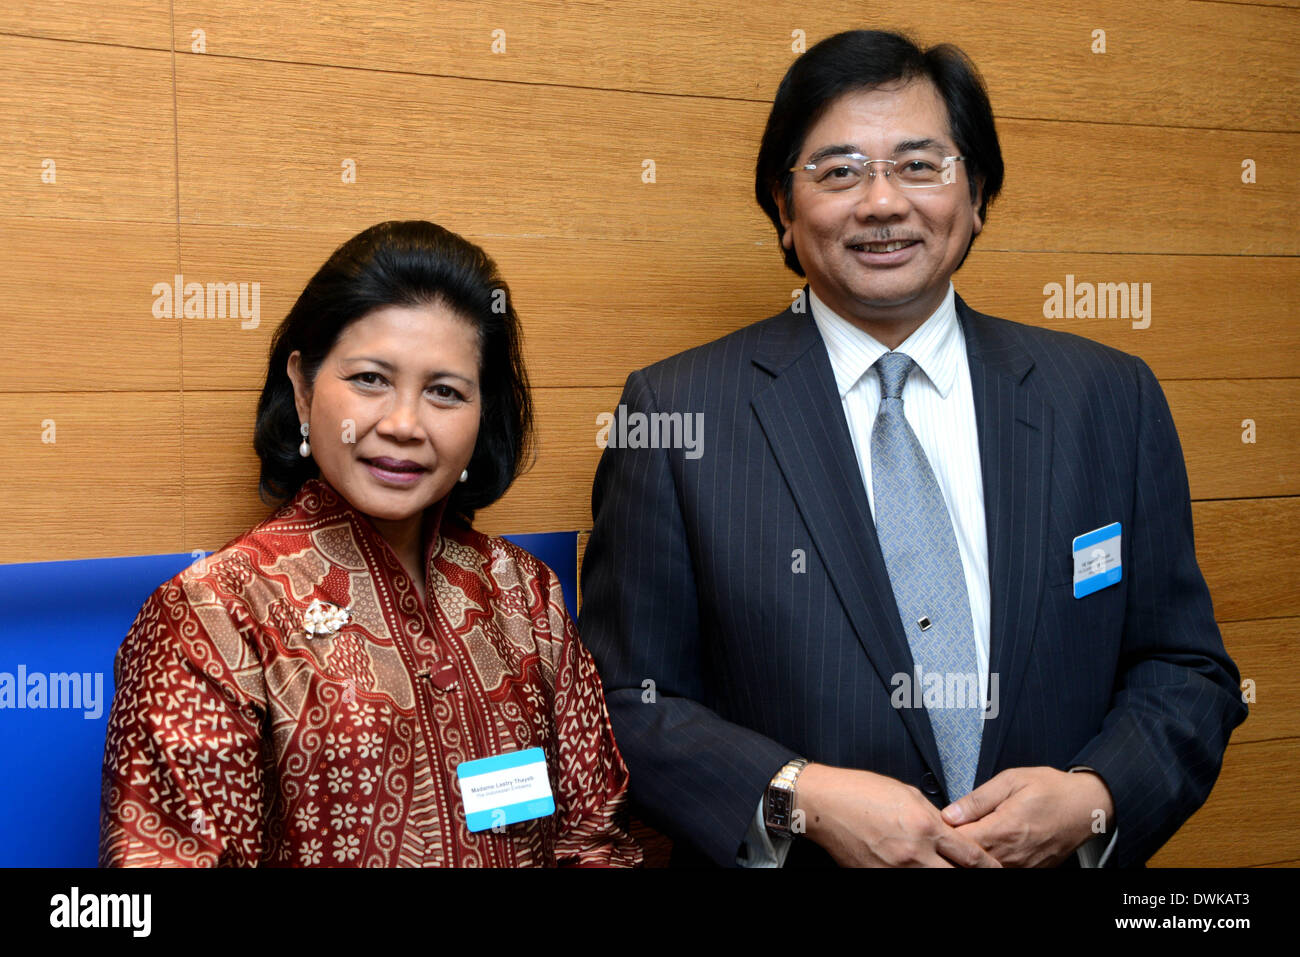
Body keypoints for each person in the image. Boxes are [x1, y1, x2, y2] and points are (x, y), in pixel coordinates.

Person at [578, 30, 1246, 868]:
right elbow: (627, 701)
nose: (882, 202)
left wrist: (1095, 795)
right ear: (784, 211)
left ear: (978, 196)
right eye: (838, 170)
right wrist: (797, 796)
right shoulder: (677, 412)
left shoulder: (1109, 397)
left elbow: (1186, 668)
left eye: (921, 165)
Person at [100, 220, 640, 867]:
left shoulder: (527, 599)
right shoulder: (214, 616)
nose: (404, 423)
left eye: (444, 391)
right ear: (302, 386)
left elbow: (594, 839)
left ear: (482, 411)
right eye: (370, 379)